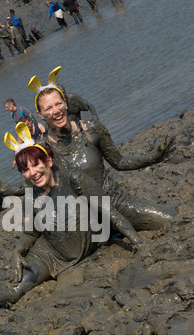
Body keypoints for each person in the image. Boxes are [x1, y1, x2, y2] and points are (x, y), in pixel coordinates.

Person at [0, 124, 142, 308]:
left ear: (49, 161)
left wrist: (138, 243)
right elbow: (31, 233)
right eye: (26, 170)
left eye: (36, 165)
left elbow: (110, 212)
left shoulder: (73, 178)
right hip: (50, 253)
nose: (33, 173)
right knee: (18, 288)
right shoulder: (31, 197)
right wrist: (18, 250)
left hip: (87, 243)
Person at [28, 66, 178, 232]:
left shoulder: (92, 130)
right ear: (40, 114)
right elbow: (37, 189)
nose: (56, 111)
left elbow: (120, 162)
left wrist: (153, 158)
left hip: (116, 202)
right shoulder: (41, 149)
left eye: (58, 104)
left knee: (173, 220)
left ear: (65, 103)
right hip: (85, 222)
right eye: (48, 108)